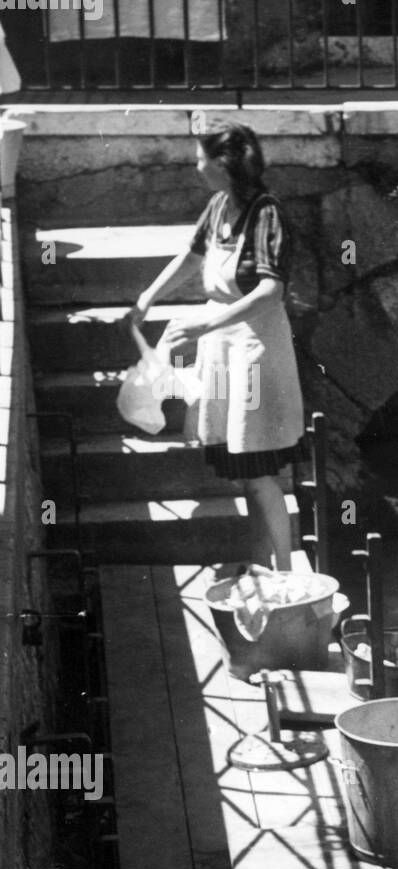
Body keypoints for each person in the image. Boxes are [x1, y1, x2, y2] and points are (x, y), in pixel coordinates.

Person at [128, 122, 305, 570]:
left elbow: (270, 293)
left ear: (224, 164)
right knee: (239, 464)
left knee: (261, 470)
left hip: (256, 352)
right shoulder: (218, 206)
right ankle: (259, 559)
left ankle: (285, 573)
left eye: (201, 158)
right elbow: (191, 257)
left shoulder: (267, 214)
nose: (196, 165)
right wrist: (149, 296)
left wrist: (204, 327)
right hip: (224, 352)